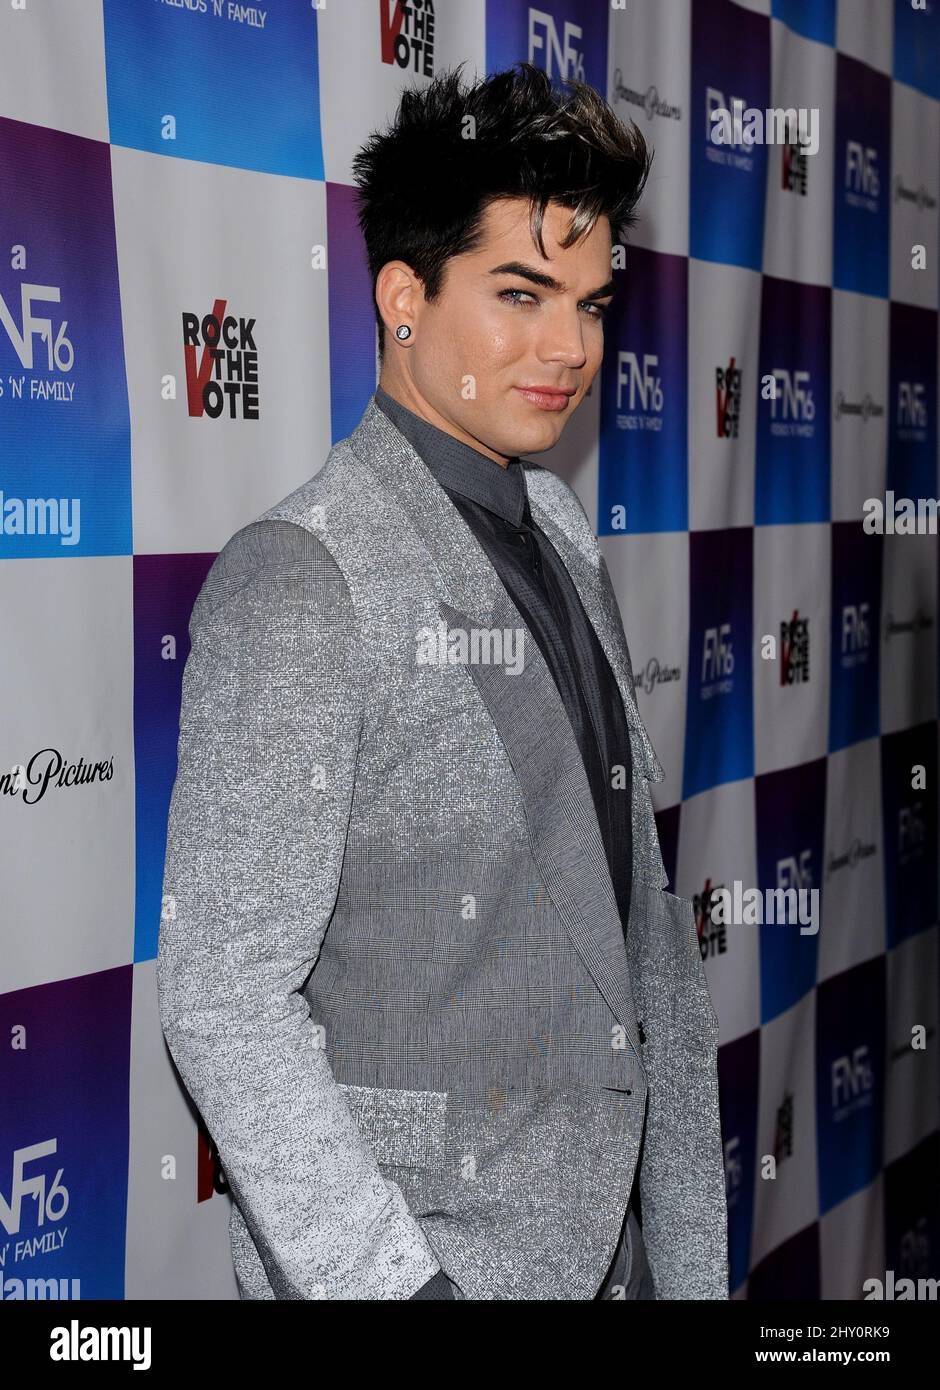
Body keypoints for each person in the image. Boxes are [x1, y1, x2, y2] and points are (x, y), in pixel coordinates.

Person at [157, 61, 728, 1301]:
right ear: (402, 299)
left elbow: (634, 942)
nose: (569, 346)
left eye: (590, 302)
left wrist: (686, 1261)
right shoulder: (301, 579)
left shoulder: (565, 532)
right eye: (521, 295)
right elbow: (222, 1000)